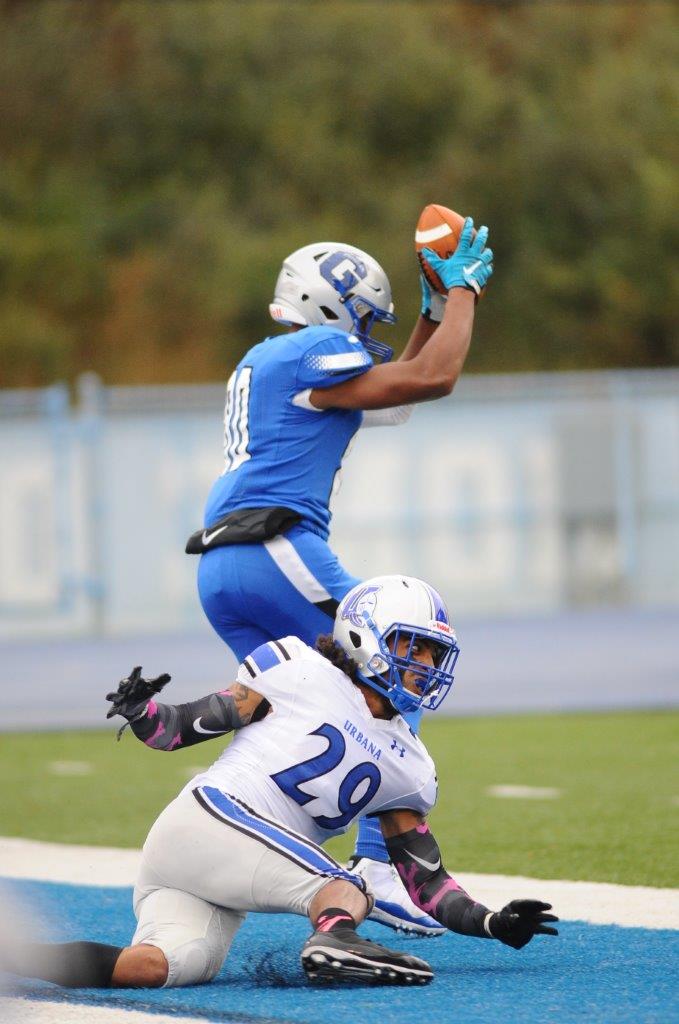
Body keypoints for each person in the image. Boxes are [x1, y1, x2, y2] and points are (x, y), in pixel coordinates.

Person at [4, 575, 557, 990]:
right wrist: (143, 711)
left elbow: (425, 880)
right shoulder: (298, 668)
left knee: (152, 967)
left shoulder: (411, 763)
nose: (427, 664)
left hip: (215, 871)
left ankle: (21, 958)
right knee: (349, 887)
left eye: (434, 652)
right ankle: (332, 939)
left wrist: (489, 921)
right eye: (415, 647)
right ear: (366, 637)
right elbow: (180, 729)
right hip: (210, 819)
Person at [186, 217, 494, 934]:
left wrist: (430, 311)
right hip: (277, 548)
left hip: (225, 565)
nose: (364, 330)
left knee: (290, 708)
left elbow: (401, 395)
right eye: (363, 314)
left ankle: (233, 854)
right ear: (332, 304)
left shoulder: (273, 360)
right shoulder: (312, 349)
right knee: (395, 670)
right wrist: (465, 292)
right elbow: (434, 378)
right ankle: (379, 870)